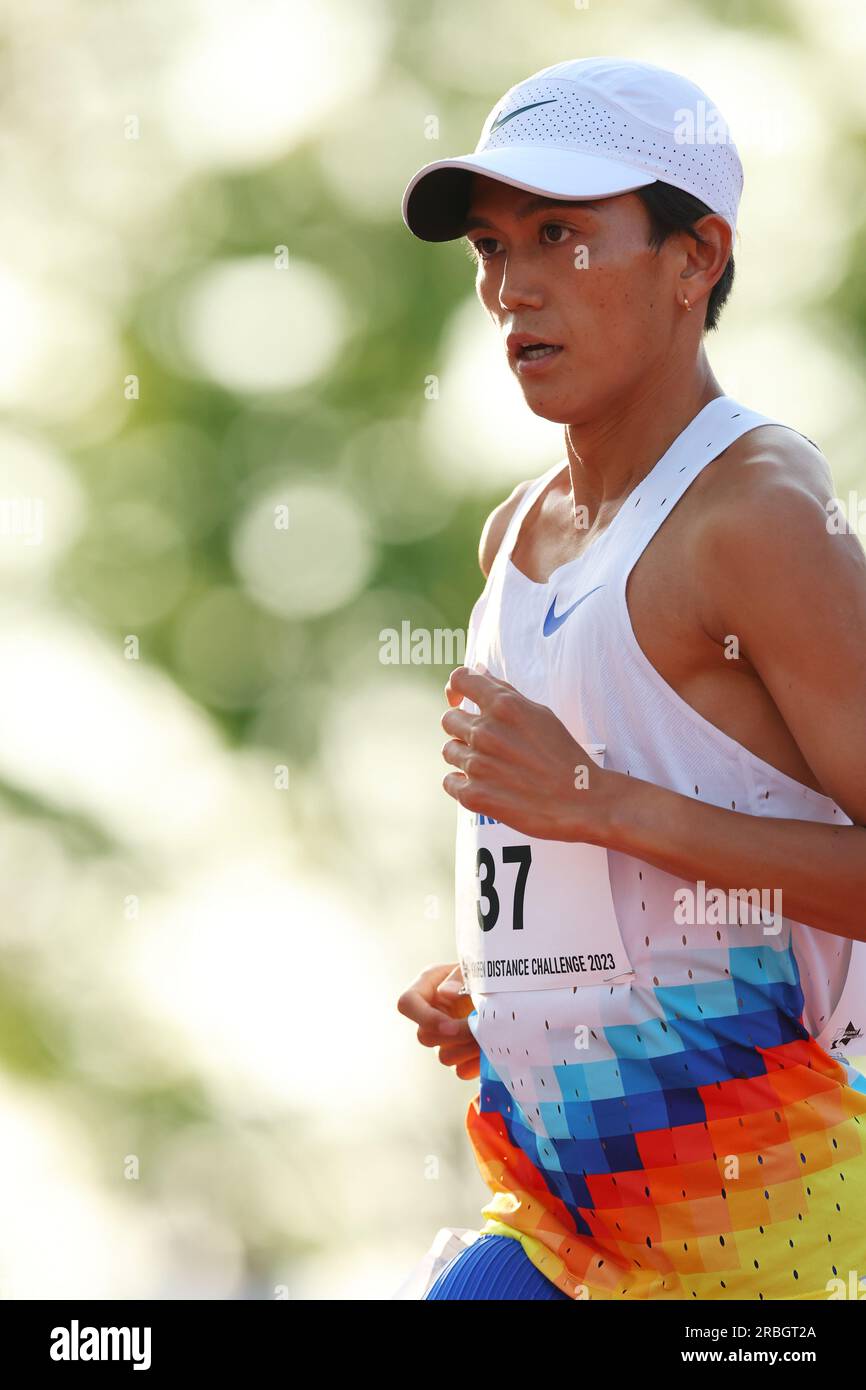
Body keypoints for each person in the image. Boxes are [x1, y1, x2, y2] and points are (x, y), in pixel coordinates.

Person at [396, 56, 866, 1301]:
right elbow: (606, 884)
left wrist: (601, 802)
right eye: (492, 247)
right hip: (563, 1217)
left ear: (693, 257)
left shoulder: (756, 515)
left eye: (561, 234)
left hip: (792, 1238)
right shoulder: (513, 533)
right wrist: (511, 991)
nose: (512, 288)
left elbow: (602, 805)